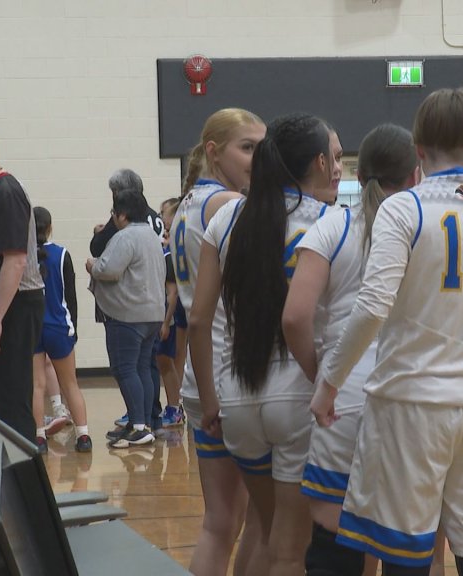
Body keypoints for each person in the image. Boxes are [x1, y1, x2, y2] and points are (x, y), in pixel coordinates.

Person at [311, 87, 463, 576]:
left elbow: (370, 307)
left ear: (417, 148)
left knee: (406, 553)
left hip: (414, 406)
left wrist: (329, 383)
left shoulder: (402, 209)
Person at [190, 112, 341, 576]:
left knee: (265, 530)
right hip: (297, 396)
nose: (337, 167)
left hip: (236, 395)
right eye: (334, 158)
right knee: (288, 550)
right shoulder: (332, 221)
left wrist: (211, 401)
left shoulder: (228, 216)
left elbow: (197, 319)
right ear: (316, 162)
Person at [283, 123, 419, 576]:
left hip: (345, 394)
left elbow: (295, 316)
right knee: (410, 539)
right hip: (413, 393)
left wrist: (319, 373)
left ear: (358, 177)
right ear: (415, 174)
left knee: (333, 539)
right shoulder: (429, 228)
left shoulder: (332, 225)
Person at [172, 107, 266, 576]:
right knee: (260, 522)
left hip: (202, 373)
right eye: (246, 147)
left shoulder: (185, 204)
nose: (257, 158)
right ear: (214, 151)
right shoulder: (229, 205)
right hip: (232, 378)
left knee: (221, 522)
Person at [0, 121, 45, 443]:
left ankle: (27, 486)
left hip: (13, 307)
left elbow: (15, 261)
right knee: (3, 401)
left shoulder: (6, 191)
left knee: (13, 402)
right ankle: (13, 483)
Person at [88, 190, 167, 448]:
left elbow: (108, 270)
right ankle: (142, 424)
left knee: (125, 369)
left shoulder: (126, 236)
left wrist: (92, 265)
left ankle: (139, 427)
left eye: (114, 214)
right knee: (142, 368)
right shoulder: (152, 237)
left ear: (122, 214)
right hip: (152, 314)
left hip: (128, 316)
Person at [32, 207, 91, 454]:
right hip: (59, 326)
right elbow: (71, 297)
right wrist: (73, 329)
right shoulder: (62, 253)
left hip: (33, 326)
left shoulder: (20, 256)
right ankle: (83, 436)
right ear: (50, 227)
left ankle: (39, 439)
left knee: (36, 385)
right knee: (70, 384)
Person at [157, 197, 185, 427]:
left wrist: (166, 322)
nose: (161, 218)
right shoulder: (166, 248)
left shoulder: (172, 254)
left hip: (172, 315)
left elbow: (173, 293)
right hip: (169, 314)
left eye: (164, 213)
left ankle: (175, 408)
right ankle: (174, 406)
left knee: (170, 361)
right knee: (167, 361)